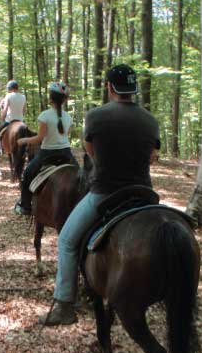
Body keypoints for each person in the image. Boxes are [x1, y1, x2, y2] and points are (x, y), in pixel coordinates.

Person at [39, 64, 160, 326]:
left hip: (105, 193)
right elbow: (152, 156)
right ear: (133, 89)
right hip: (144, 194)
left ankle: (64, 305)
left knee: (68, 241)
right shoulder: (151, 120)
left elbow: (91, 152)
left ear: (109, 88)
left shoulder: (95, 116)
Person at [14, 82, 76, 215]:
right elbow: (66, 134)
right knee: (81, 176)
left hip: (47, 153)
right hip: (66, 153)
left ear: (51, 98)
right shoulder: (68, 117)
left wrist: (23, 140)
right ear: (64, 100)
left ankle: (25, 206)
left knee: (28, 174)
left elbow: (40, 138)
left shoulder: (45, 115)